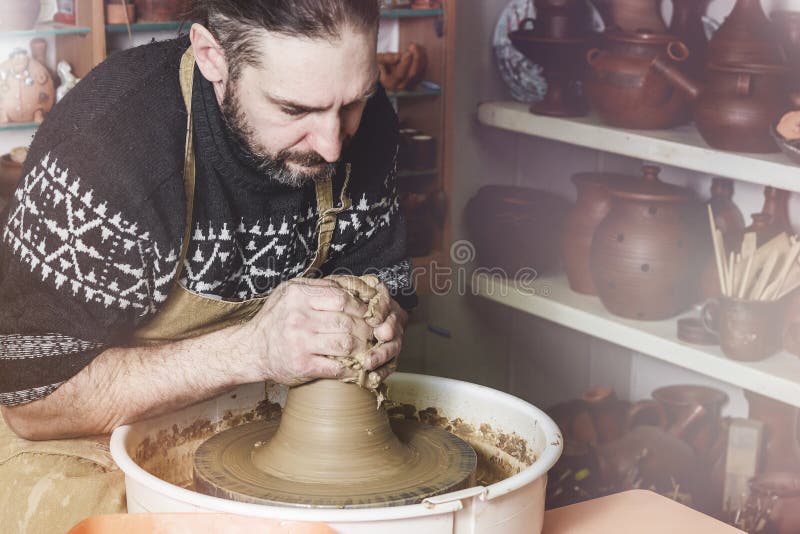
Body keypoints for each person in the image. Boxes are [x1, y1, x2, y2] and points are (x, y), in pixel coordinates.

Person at [0, 0, 414, 530]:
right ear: (213, 56)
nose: (334, 145)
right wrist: (252, 350)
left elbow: (391, 293)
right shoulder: (106, 147)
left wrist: (377, 326)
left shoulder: (365, 123)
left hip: (267, 427)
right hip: (81, 441)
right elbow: (32, 401)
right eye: (294, 110)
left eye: (355, 102)